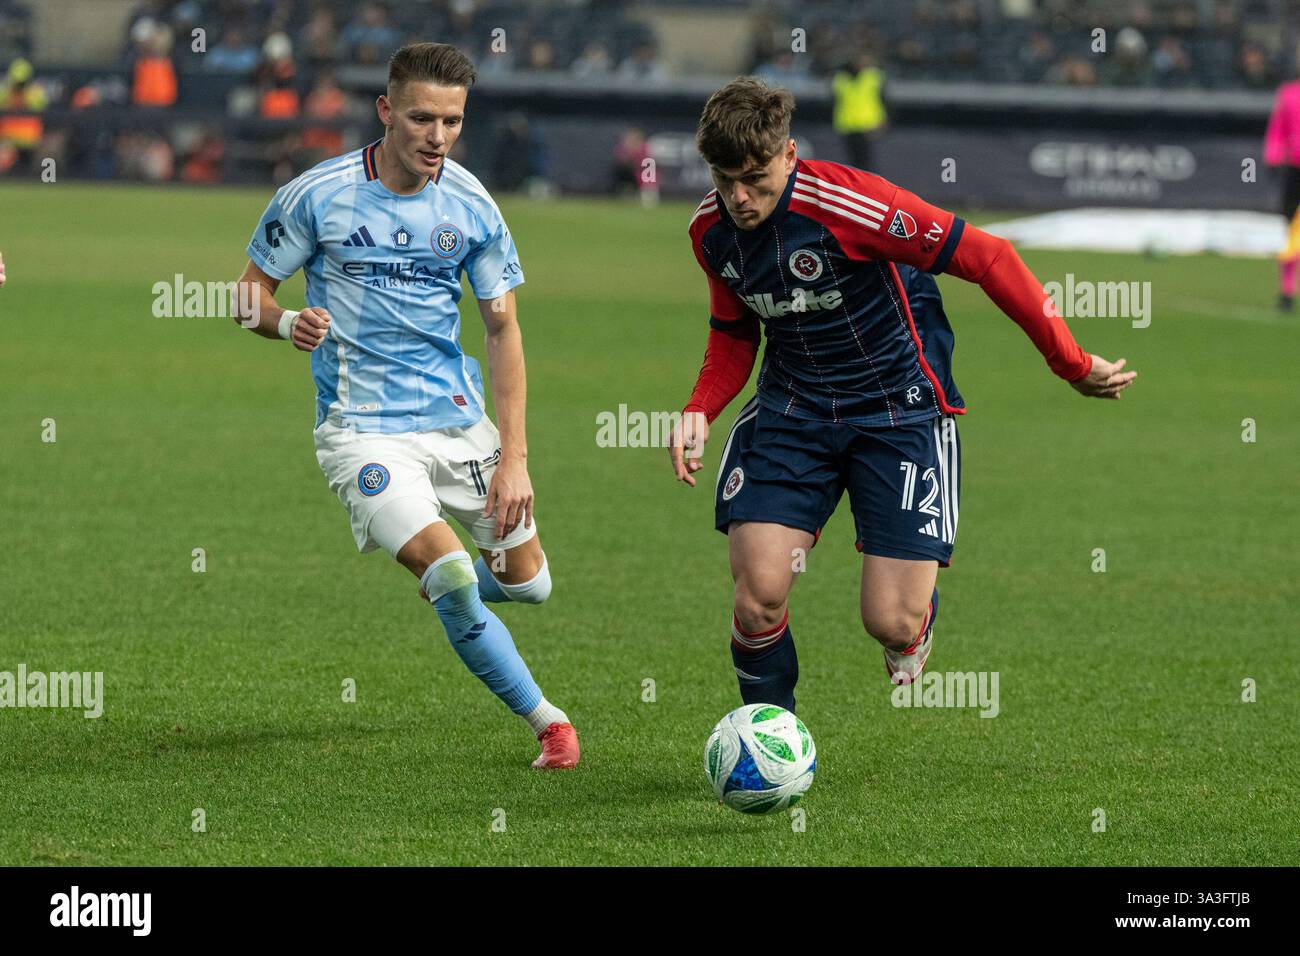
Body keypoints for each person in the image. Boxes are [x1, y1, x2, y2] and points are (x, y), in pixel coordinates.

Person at [669, 78, 1136, 709]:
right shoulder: (710, 231)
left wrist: (1071, 363)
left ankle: (913, 622)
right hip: (791, 409)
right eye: (724, 180)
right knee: (758, 597)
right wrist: (700, 406)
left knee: (887, 618)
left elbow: (990, 257)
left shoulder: (853, 205)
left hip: (897, 410)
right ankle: (768, 734)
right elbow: (733, 330)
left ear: (789, 155)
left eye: (754, 178)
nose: (738, 197)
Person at [231, 42, 579, 769]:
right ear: (386, 111)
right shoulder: (317, 194)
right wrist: (284, 322)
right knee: (453, 575)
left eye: (452, 120)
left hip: (455, 420)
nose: (437, 136)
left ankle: (446, 584)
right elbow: (245, 294)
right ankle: (549, 724)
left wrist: (515, 460)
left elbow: (502, 329)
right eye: (422, 117)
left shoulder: (471, 204)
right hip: (361, 434)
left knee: (532, 584)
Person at [1265, 69, 1300, 310]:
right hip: (1294, 171)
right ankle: (1287, 291)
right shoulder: (1288, 94)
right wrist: (1273, 156)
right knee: (1292, 232)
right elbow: (1278, 128)